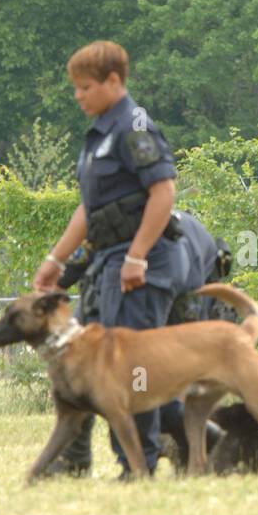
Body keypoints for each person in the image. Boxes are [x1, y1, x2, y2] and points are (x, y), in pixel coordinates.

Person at [32, 40, 189, 479]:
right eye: (76, 88)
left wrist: (137, 257)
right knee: (78, 359)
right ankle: (74, 461)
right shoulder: (101, 132)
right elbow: (90, 208)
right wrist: (56, 259)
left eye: (84, 87)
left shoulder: (134, 127)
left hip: (141, 266)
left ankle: (138, 465)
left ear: (114, 81)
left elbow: (164, 192)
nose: (77, 96)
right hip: (106, 263)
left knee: (133, 372)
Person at [43, 211, 228, 478]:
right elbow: (82, 253)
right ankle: (76, 457)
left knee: (141, 377)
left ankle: (193, 443)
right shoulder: (109, 215)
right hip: (129, 273)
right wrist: (50, 285)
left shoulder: (160, 234)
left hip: (180, 281)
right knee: (84, 364)